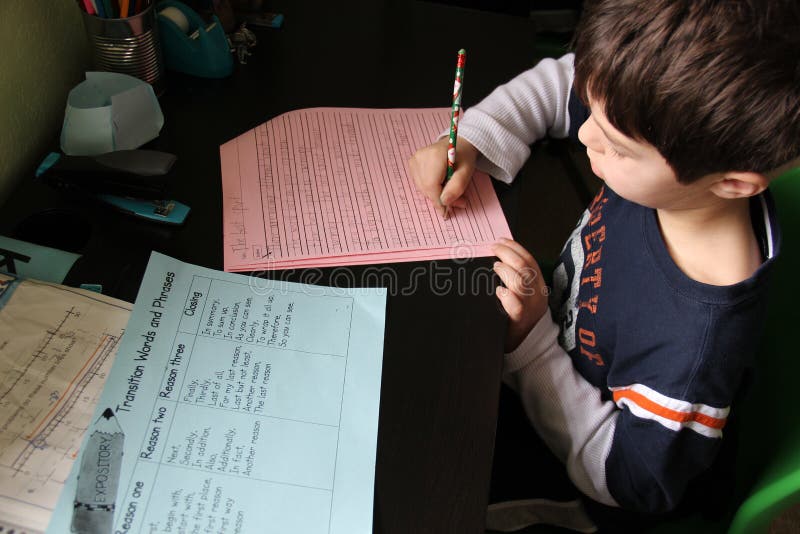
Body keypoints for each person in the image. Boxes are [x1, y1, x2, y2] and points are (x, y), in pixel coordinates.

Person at [408, 0, 800, 528]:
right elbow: (567, 82)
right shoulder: (662, 135)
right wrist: (479, 133)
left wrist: (531, 341)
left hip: (586, 480)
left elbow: (630, 480)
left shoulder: (694, 348)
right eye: (592, 112)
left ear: (731, 183)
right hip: (550, 329)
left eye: (614, 145)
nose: (586, 133)